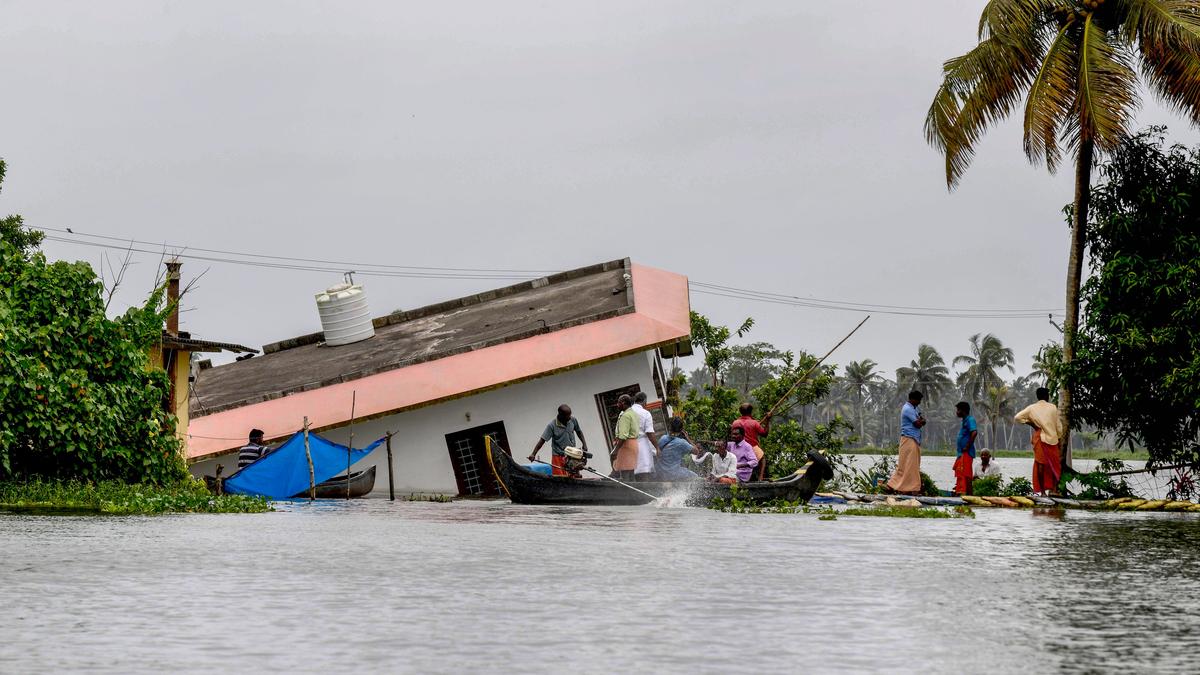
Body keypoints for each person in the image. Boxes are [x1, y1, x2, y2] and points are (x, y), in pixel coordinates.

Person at [1014, 387, 1065, 496]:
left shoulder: (1032, 408)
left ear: (1037, 396)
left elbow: (1017, 417)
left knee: (1040, 463)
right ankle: (1055, 490)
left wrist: (1031, 423)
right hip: (1052, 438)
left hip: (1039, 436)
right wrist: (1059, 438)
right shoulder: (1053, 407)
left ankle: (1042, 492)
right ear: (1047, 396)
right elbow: (1058, 426)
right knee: (1055, 464)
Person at [528, 404, 588, 476]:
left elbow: (579, 431)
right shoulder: (552, 426)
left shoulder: (573, 420)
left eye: (570, 415)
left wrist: (584, 444)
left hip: (571, 455)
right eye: (567, 416)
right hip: (558, 456)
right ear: (561, 415)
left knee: (574, 476)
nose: (569, 418)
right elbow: (542, 441)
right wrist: (533, 454)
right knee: (560, 478)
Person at [886, 391, 926, 495]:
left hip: (913, 439)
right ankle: (912, 489)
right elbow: (918, 423)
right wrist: (922, 421)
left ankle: (892, 485)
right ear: (913, 399)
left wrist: (921, 421)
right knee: (911, 465)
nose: (919, 402)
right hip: (909, 439)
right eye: (918, 400)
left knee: (906, 465)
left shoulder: (914, 408)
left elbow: (921, 419)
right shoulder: (908, 409)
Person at [732, 402, 772, 480]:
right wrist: (767, 420)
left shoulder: (735, 422)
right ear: (750, 412)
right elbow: (764, 434)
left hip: (738, 447)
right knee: (763, 458)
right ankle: (761, 477)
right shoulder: (754, 423)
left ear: (740, 412)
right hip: (752, 447)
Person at [655, 416, 699, 481]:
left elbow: (658, 454)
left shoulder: (663, 438)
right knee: (695, 476)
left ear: (670, 427)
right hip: (674, 473)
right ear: (681, 430)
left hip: (660, 472)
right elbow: (696, 451)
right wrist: (687, 438)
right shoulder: (682, 443)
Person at [630, 392, 660, 481]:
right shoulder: (645, 413)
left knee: (634, 473)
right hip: (641, 446)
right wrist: (657, 447)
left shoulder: (625, 413)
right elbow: (650, 433)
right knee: (645, 472)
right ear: (644, 401)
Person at [609, 394, 640, 480]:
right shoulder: (633, 413)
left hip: (625, 445)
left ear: (623, 403)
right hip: (633, 444)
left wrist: (616, 450)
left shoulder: (625, 416)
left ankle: (628, 492)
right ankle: (634, 492)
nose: (617, 405)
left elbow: (623, 437)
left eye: (618, 403)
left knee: (625, 475)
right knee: (631, 473)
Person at [953, 401, 978, 496]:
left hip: (966, 452)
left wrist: (967, 446)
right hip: (961, 453)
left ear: (963, 411)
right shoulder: (964, 420)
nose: (957, 412)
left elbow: (974, 433)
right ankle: (960, 492)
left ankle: (969, 495)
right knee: (960, 473)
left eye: (958, 410)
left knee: (966, 474)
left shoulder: (970, 420)